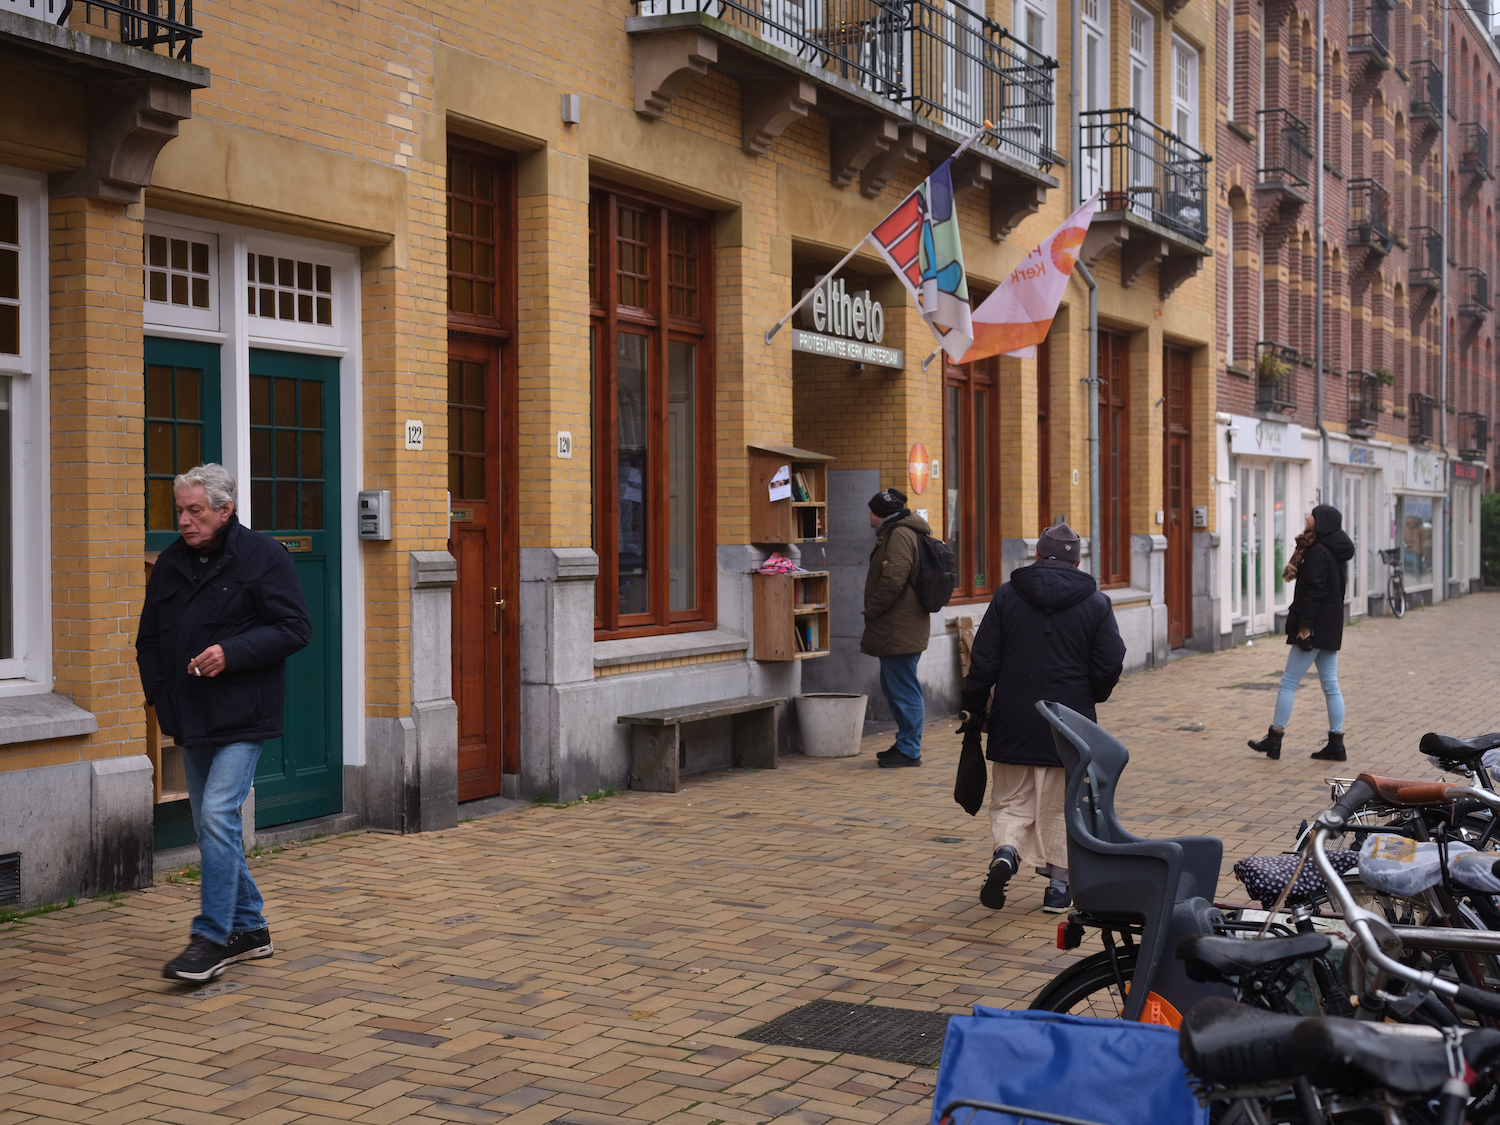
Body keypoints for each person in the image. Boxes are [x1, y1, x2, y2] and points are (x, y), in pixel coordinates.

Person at [137, 464, 311, 983]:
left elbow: (294, 628)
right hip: (187, 715)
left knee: (216, 814)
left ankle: (211, 937)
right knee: (210, 824)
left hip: (242, 713)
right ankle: (251, 926)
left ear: (225, 510)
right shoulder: (169, 564)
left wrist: (230, 653)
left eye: (195, 511)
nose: (185, 521)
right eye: (180, 511)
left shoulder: (263, 557)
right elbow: (148, 641)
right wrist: (159, 700)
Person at [959, 523, 1126, 913]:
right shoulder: (1096, 602)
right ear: (1078, 560)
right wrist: (1091, 696)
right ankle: (1058, 888)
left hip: (1013, 714)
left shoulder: (1006, 595)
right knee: (1061, 804)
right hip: (1069, 720)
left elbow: (984, 658)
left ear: (1035, 555)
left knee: (1011, 798)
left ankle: (1006, 853)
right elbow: (1110, 661)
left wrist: (975, 706)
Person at [1248, 504, 1354, 763]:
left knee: (1288, 683)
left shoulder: (1318, 551)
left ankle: (1275, 739)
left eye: (1312, 515)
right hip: (1330, 625)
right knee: (1331, 685)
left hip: (1314, 627)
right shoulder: (1334, 548)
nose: (1308, 517)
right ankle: (1336, 743)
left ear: (1321, 522)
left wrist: (1305, 627)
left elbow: (1314, 591)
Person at [861, 487, 934, 768]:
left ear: (880, 514)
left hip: (899, 627)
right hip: (899, 626)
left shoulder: (900, 534)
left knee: (903, 688)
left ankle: (909, 750)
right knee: (895, 687)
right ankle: (905, 742)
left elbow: (893, 580)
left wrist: (872, 609)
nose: (868, 516)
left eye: (871, 510)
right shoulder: (897, 532)